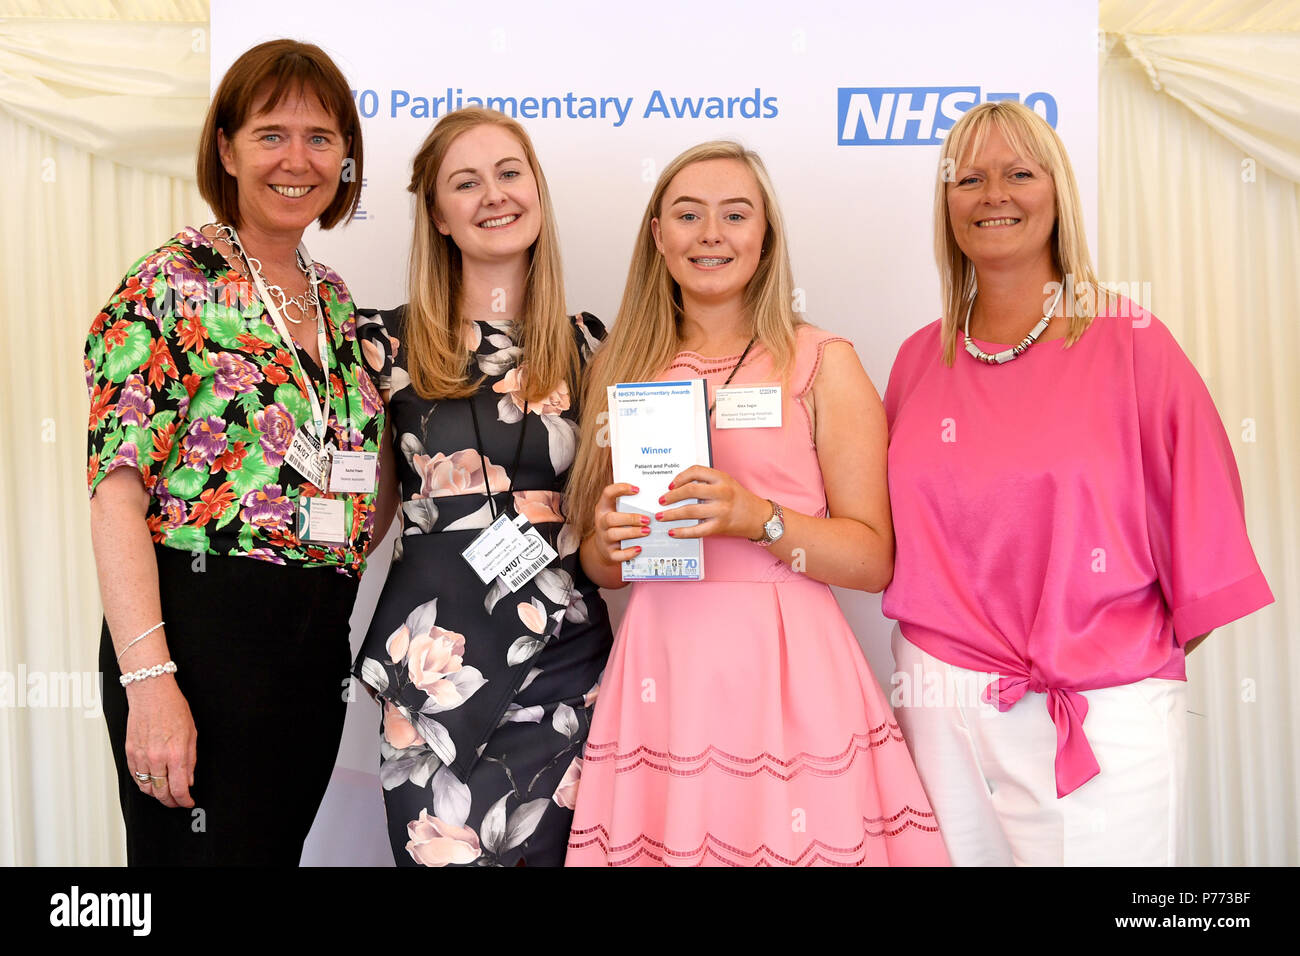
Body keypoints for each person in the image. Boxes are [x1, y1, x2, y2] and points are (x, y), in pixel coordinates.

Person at [883, 100, 1274, 866]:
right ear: (946, 202)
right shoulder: (917, 361)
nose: (994, 194)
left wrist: (1101, 656)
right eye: (969, 178)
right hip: (940, 709)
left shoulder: (1134, 346)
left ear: (1057, 191)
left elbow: (1209, 548)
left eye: (1019, 174)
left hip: (1094, 720)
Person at [563, 141, 950, 866]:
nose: (712, 234)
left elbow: (872, 561)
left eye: (735, 215)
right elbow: (604, 565)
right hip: (663, 668)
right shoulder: (620, 365)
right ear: (658, 236)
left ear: (765, 235)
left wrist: (759, 519)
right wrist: (605, 545)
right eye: (688, 215)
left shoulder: (823, 360)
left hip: (789, 676)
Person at [86, 39, 392, 865]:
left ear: (346, 160)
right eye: (271, 134)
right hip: (201, 634)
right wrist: (150, 683)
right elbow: (116, 489)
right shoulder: (170, 281)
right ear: (226, 148)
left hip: (312, 639)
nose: (298, 159)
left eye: (322, 138)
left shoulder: (333, 301)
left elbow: (363, 468)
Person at [352, 108, 612, 867]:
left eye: (510, 173)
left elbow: (608, 514)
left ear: (537, 189)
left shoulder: (591, 343)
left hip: (561, 665)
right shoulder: (383, 344)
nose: (494, 196)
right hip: (436, 679)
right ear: (437, 213)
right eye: (466, 183)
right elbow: (363, 521)